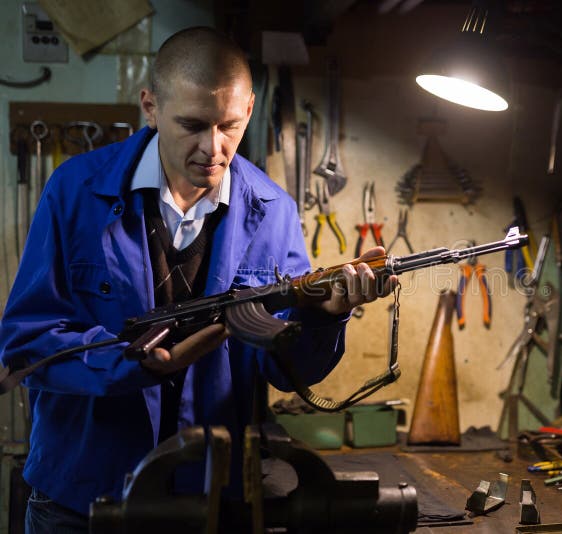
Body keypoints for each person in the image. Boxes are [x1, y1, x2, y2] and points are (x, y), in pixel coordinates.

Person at [0, 26, 395, 532]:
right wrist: (130, 363)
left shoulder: (273, 210)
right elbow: (28, 342)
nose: (214, 147)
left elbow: (285, 371)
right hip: (82, 495)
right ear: (150, 107)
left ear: (249, 108)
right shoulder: (75, 191)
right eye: (192, 125)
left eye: (230, 125)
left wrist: (326, 316)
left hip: (212, 497)